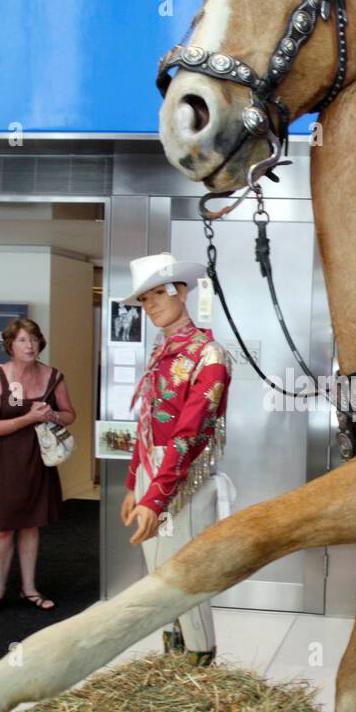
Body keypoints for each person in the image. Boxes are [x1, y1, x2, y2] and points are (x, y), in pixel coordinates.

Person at [119, 253, 232, 667]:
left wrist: (155, 497)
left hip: (184, 475)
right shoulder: (161, 351)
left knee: (184, 573)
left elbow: (190, 435)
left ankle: (199, 669)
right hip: (153, 470)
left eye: (156, 295)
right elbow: (146, 421)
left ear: (181, 292)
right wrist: (134, 483)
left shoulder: (209, 356)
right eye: (143, 300)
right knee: (158, 575)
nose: (150, 306)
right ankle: (173, 665)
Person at [0, 318, 77, 617]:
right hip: (4, 460)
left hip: (38, 458)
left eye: (33, 339)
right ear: (10, 345)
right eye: (22, 340)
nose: (29, 345)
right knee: (3, 529)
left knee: (31, 525)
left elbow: (70, 414)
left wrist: (52, 416)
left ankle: (30, 588)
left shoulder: (54, 376)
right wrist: (28, 419)